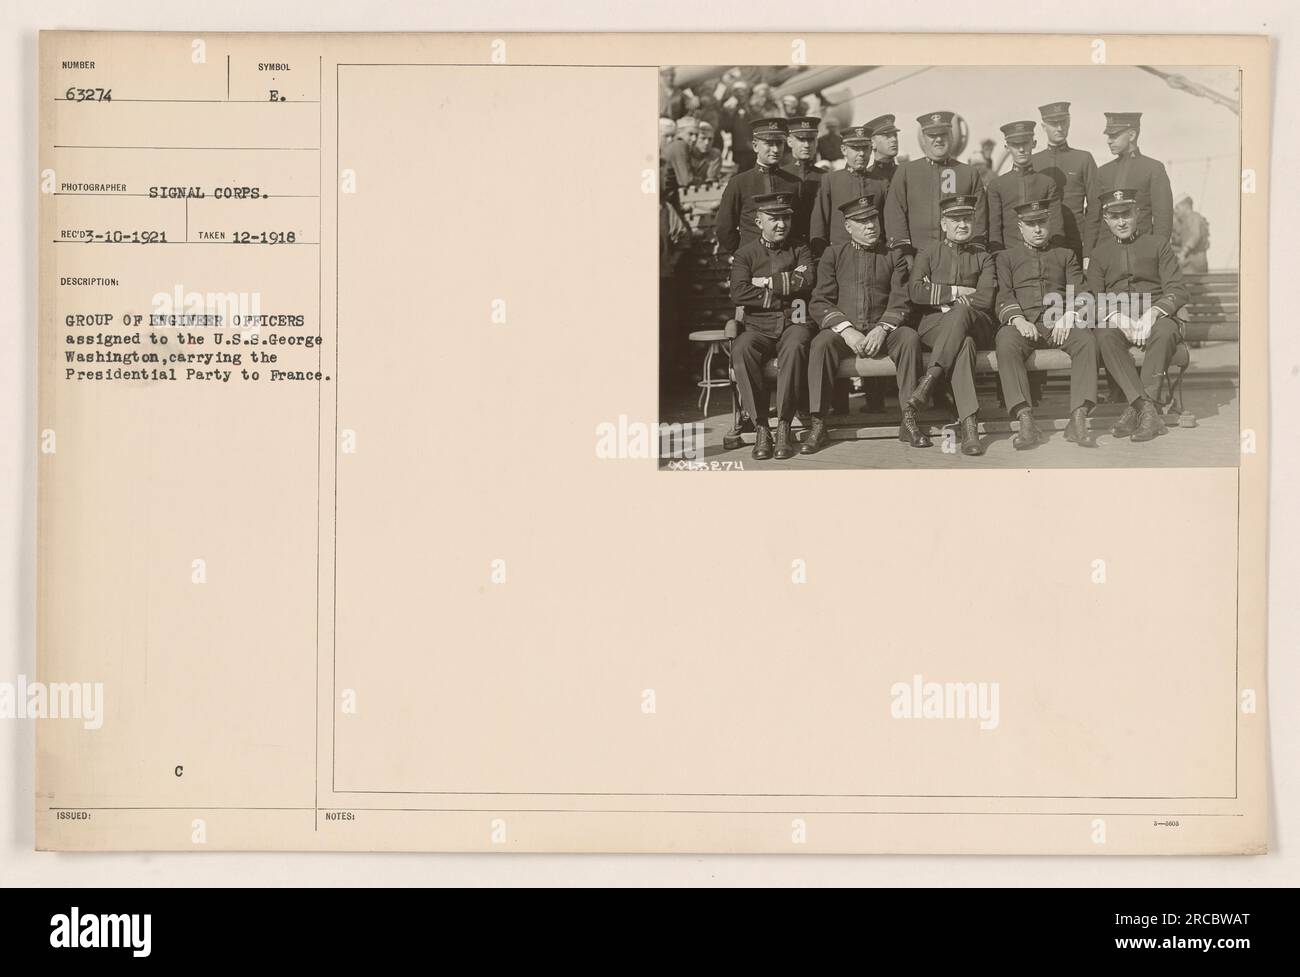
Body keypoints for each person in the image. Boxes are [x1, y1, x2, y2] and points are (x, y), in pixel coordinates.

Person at [993, 199, 1126, 450]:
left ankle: (1078, 419)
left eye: (1041, 222)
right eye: (1030, 224)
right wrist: (1018, 319)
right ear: (1020, 227)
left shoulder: (1065, 255)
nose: (1038, 229)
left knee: (1086, 341)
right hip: (1023, 324)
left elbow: (1082, 293)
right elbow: (1003, 295)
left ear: (1049, 222)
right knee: (1005, 342)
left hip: (1059, 322)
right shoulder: (1006, 258)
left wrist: (1069, 315)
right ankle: (1026, 420)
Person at [805, 199, 929, 453]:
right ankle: (818, 423)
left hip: (882, 331)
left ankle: (909, 418)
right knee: (820, 344)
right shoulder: (834, 254)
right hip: (845, 333)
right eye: (862, 222)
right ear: (848, 227)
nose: (871, 226)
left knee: (909, 338)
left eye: (873, 219)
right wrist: (846, 330)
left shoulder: (893, 255)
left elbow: (902, 300)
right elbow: (820, 301)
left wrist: (883, 328)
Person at [1086, 188, 1189, 442]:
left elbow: (1176, 288)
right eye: (1114, 216)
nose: (1121, 222)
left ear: (1137, 214)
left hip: (1155, 318)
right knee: (1105, 336)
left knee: (1165, 332)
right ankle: (1147, 410)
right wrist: (1115, 316)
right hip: (1118, 319)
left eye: (1126, 214)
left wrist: (1153, 313)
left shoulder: (1158, 245)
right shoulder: (1099, 254)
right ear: (1106, 220)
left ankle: (1138, 408)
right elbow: (1093, 296)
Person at [906, 194, 997, 456]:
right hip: (934, 324)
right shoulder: (929, 252)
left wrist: (947, 295)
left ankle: (930, 380)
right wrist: (958, 290)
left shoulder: (983, 257)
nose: (962, 225)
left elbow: (985, 298)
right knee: (963, 344)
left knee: (962, 313)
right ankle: (970, 427)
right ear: (943, 224)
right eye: (955, 220)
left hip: (977, 322)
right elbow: (915, 291)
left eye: (967, 218)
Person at [729, 192, 816, 460]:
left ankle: (785, 424)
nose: (781, 224)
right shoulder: (745, 255)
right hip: (758, 327)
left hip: (795, 322)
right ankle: (761, 427)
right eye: (774, 218)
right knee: (741, 349)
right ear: (759, 221)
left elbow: (808, 281)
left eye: (786, 218)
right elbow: (738, 293)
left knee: (797, 344)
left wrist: (765, 282)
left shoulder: (800, 249)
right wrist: (785, 284)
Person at [885, 111, 988, 264]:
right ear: (923, 140)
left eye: (944, 134)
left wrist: (972, 257)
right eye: (932, 136)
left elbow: (980, 217)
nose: (939, 139)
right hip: (917, 258)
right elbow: (895, 214)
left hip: (960, 259)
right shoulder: (906, 171)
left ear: (952, 137)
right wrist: (905, 255)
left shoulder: (969, 173)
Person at [714, 118, 801, 256]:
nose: (775, 149)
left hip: (786, 260)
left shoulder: (794, 183)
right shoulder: (739, 183)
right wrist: (742, 253)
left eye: (779, 143)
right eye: (768, 143)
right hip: (752, 261)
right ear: (755, 146)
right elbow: (724, 228)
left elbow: (798, 225)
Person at [1030, 100, 1099, 264]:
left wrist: (1089, 251)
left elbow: (1095, 207)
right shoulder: (1033, 162)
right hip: (1041, 243)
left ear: (1069, 122)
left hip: (1076, 241)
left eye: (1063, 122)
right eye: (1054, 124)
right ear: (1043, 126)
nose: (1060, 128)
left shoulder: (1083, 159)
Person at [1092, 112, 1174, 245]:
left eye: (1114, 135)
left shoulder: (1153, 168)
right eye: (1108, 136)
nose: (1109, 141)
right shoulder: (1103, 172)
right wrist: (1089, 254)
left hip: (1142, 250)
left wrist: (1158, 252)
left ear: (1131, 135)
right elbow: (1093, 218)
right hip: (1107, 254)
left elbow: (1163, 219)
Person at [809, 124, 887, 255]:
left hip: (876, 256)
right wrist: (821, 257)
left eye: (865, 148)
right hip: (840, 256)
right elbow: (819, 225)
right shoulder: (830, 181)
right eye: (856, 148)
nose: (862, 154)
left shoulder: (880, 183)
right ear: (844, 150)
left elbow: (887, 224)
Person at [986, 120, 1061, 252]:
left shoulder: (1047, 183)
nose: (1021, 149)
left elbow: (1056, 226)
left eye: (1025, 143)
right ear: (1007, 147)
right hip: (1009, 258)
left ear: (1033, 143)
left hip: (1044, 255)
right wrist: (998, 258)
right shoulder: (997, 185)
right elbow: (994, 228)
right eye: (1015, 145)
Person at [784, 116, 824, 245]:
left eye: (811, 140)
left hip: (817, 244)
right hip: (786, 246)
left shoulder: (826, 177)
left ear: (816, 142)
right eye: (801, 140)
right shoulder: (780, 175)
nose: (806, 145)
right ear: (789, 142)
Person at [1171, 193, 1210, 272]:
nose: (1175, 211)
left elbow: (1195, 236)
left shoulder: (1194, 217)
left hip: (1194, 263)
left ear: (1185, 207)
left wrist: (1183, 253)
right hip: (1192, 262)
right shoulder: (1185, 221)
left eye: (1177, 208)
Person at [864, 113, 901, 186]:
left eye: (895, 135)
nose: (894, 139)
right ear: (873, 143)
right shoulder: (867, 179)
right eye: (887, 136)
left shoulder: (905, 173)